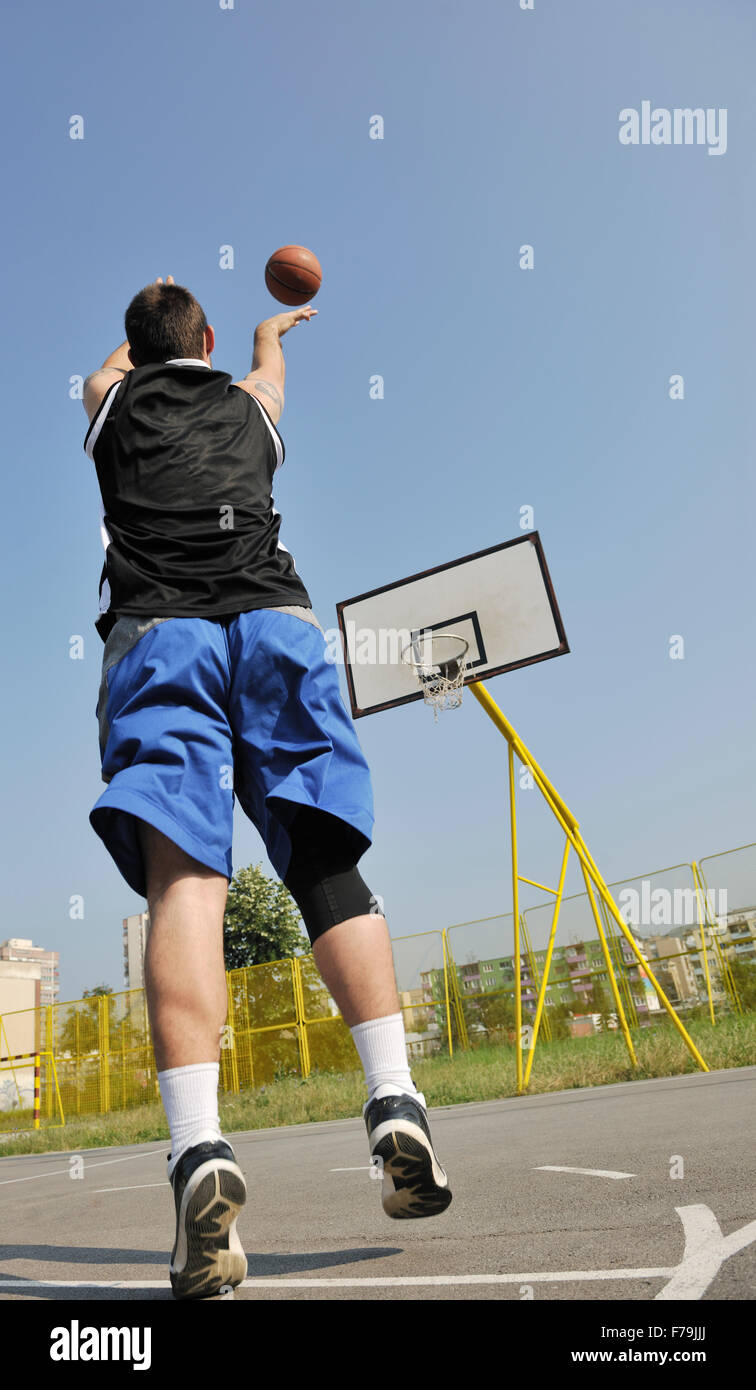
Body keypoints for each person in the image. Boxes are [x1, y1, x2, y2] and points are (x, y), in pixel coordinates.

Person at [82, 276, 452, 1300]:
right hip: (276, 623)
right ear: (206, 340)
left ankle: (200, 1150)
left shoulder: (112, 400)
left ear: (134, 351)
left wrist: (135, 351)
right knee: (326, 859)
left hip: (162, 634)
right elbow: (271, 377)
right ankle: (395, 1100)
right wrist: (261, 334)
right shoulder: (250, 404)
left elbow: (106, 373)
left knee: (189, 880)